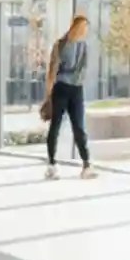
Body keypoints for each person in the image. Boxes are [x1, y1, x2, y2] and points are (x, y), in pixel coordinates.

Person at [43, 14, 97, 180]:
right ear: (75, 27)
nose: (85, 31)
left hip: (76, 90)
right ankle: (52, 164)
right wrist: (49, 94)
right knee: (55, 127)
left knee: (79, 127)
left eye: (86, 28)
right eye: (83, 27)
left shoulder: (84, 47)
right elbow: (52, 70)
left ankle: (86, 164)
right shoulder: (60, 45)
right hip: (61, 88)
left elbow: (84, 70)